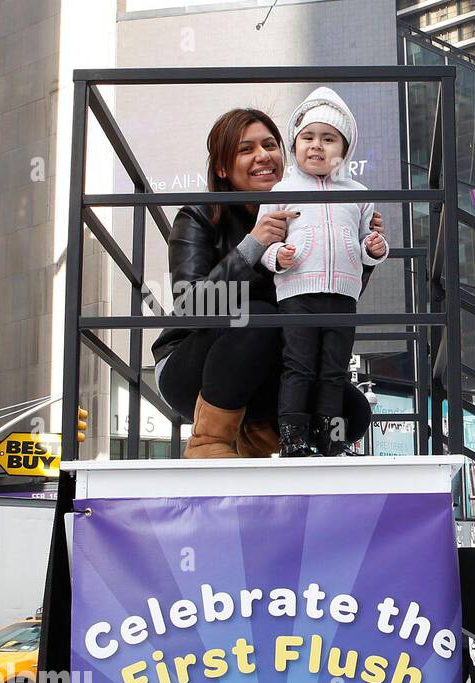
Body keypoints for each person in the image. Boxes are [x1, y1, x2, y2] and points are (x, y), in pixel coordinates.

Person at [152, 107, 384, 458]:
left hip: (276, 363)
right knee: (259, 317)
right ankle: (208, 441)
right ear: (221, 167)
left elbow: (330, 300)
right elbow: (190, 307)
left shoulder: (313, 207)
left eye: (270, 145)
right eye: (246, 149)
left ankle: (256, 435)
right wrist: (253, 246)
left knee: (351, 411)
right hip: (193, 369)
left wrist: (356, 247)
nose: (263, 156)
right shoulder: (199, 214)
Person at [256, 87, 388, 457]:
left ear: (344, 150)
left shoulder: (359, 193)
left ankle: (332, 440)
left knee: (335, 372)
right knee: (298, 368)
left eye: (329, 139)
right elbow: (265, 245)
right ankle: (293, 439)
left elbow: (368, 243)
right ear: (295, 143)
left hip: (344, 296)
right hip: (296, 294)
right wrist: (277, 257)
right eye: (308, 138)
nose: (317, 146)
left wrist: (375, 249)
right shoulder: (282, 189)